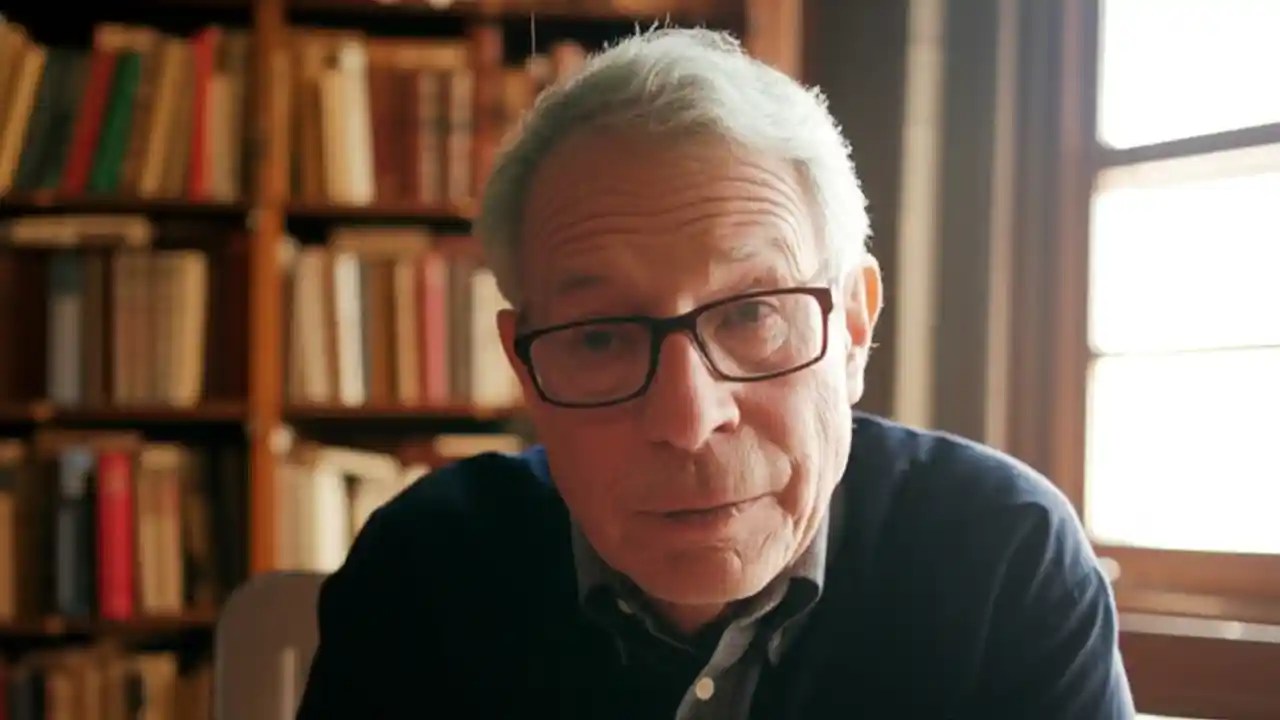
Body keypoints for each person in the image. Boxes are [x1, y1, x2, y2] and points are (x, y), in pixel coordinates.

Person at [294, 27, 1135, 719]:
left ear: (852, 328)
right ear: (523, 365)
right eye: (600, 338)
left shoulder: (1005, 561)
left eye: (752, 315)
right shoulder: (424, 575)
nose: (688, 419)